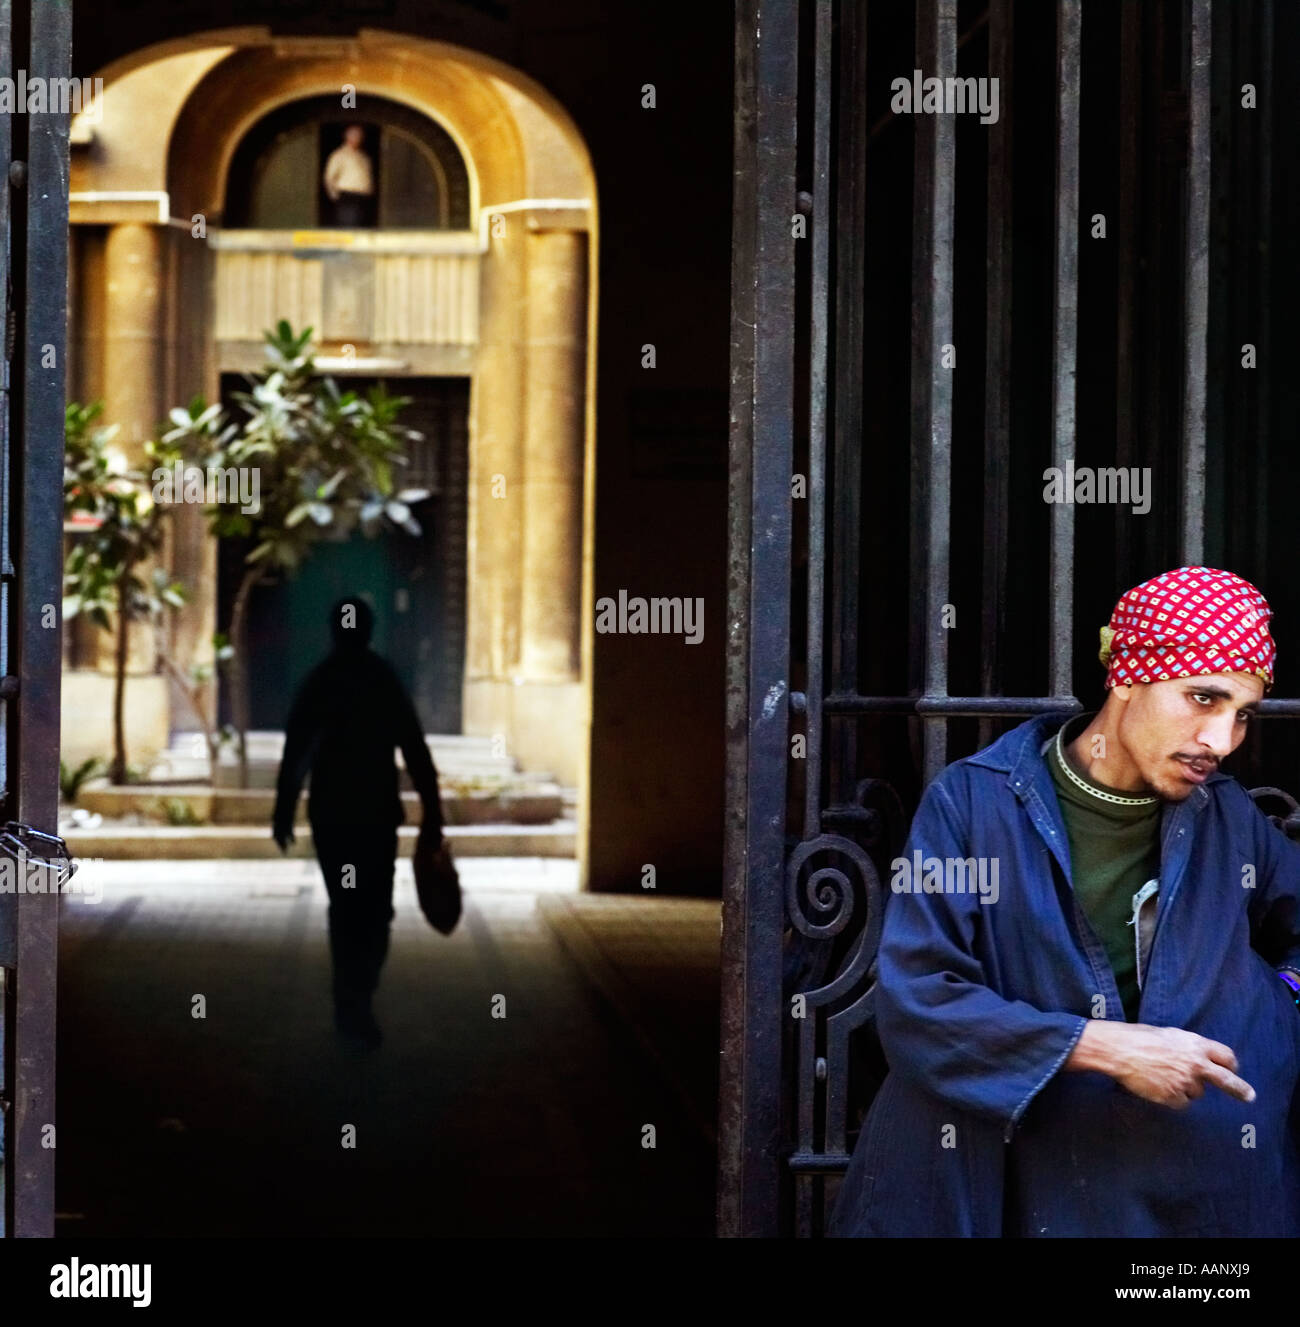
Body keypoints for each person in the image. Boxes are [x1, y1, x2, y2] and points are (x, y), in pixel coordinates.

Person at [830, 566, 1300, 1237]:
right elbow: (918, 1001)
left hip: (1191, 1188)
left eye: (1243, 715)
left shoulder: (1226, 816)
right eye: (1203, 698)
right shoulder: (975, 802)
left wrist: (1276, 1007)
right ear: (1127, 676)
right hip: (1016, 1176)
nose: (1222, 741)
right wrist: (1103, 1047)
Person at [272, 596, 443, 1050]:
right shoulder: (380, 679)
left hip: (337, 818)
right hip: (371, 819)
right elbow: (415, 749)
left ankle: (352, 1000)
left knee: (348, 908)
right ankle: (356, 1000)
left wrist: (284, 808)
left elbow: (296, 751)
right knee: (373, 910)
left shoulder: (323, 681)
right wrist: (433, 813)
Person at [322, 124, 375, 228]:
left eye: (360, 136)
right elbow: (329, 177)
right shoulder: (339, 155)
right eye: (355, 135)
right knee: (348, 227)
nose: (358, 138)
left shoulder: (364, 156)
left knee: (362, 227)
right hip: (347, 197)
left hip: (363, 197)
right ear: (347, 137)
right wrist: (334, 195)